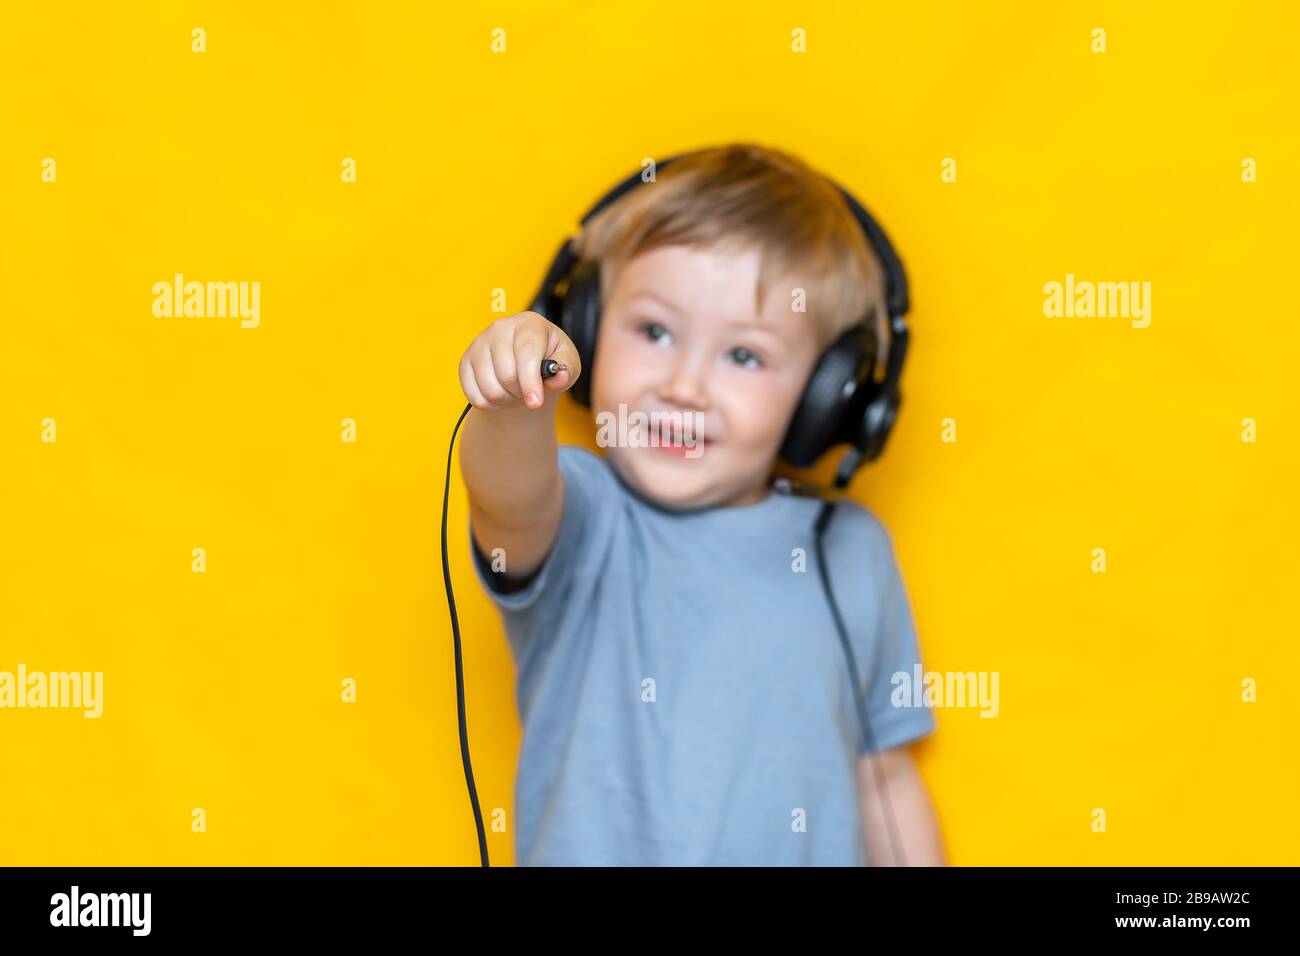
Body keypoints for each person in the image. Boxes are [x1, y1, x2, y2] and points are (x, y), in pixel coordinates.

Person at [456, 143, 944, 865]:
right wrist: (512, 402)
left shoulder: (851, 549)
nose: (683, 385)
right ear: (589, 323)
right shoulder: (589, 518)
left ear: (827, 398)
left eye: (743, 356)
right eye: (653, 332)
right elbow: (508, 500)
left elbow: (881, 778)